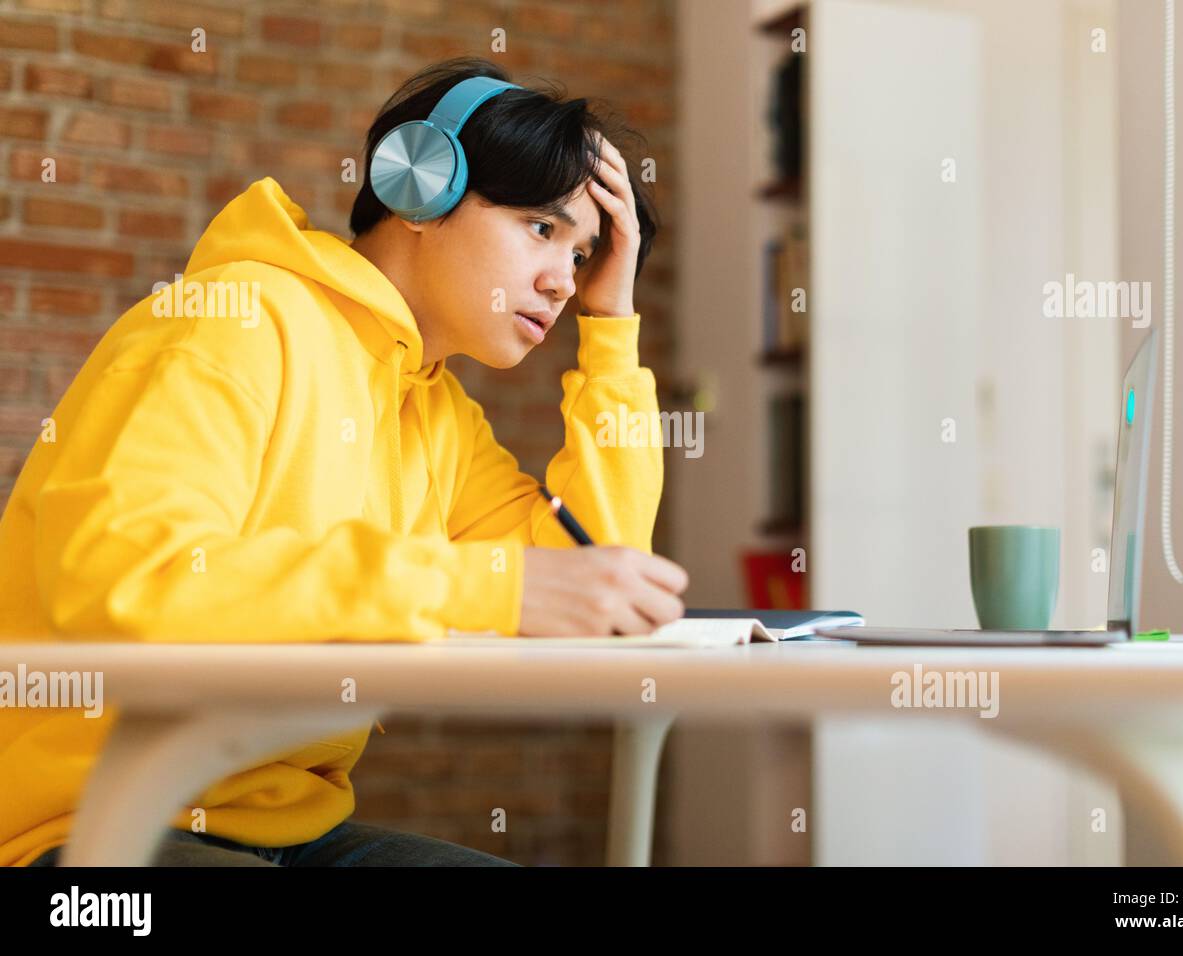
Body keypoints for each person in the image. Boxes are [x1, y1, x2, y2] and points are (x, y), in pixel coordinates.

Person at [0, 56, 688, 867]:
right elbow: (123, 579)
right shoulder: (235, 322)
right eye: (542, 229)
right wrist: (480, 586)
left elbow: (588, 576)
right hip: (91, 833)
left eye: (580, 258)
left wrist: (613, 332)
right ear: (419, 189)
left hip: (287, 835)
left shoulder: (434, 412)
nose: (561, 281)